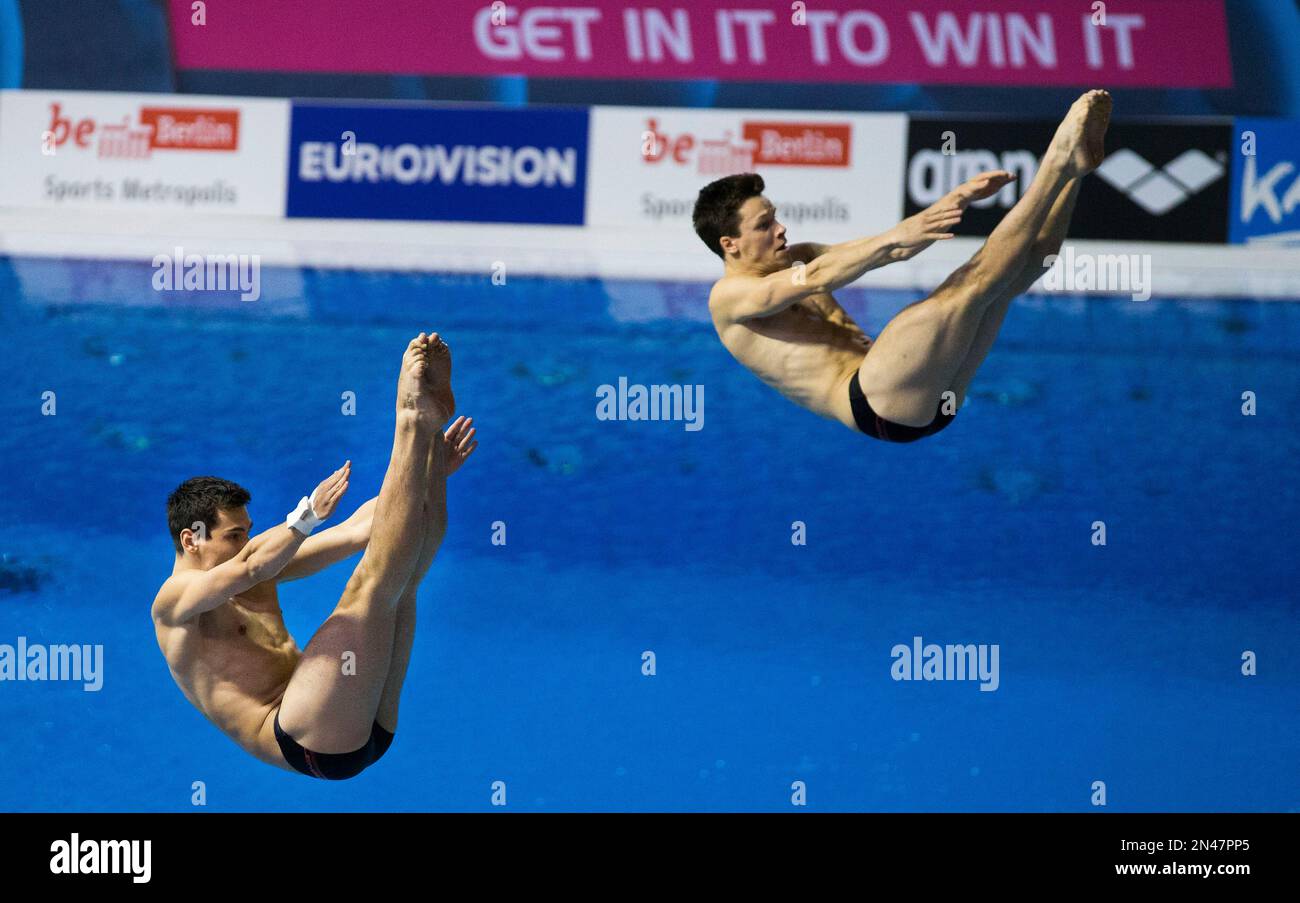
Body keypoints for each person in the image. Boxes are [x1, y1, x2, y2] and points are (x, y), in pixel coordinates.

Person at [695, 90, 1111, 443]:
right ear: (729, 244)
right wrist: (899, 235)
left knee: (1012, 278)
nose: (781, 230)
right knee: (971, 284)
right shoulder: (728, 299)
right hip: (875, 402)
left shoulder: (798, 255)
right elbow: (825, 274)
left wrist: (953, 202)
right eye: (764, 225)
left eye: (776, 217)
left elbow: (892, 250)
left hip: (925, 393)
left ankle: (1074, 174)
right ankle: (1056, 162)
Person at [152, 333, 477, 779]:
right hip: (304, 739)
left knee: (405, 581)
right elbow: (254, 565)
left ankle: (424, 431)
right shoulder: (174, 603)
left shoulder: (251, 570)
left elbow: (358, 531)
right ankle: (410, 420)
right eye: (233, 535)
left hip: (359, 721)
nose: (244, 542)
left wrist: (429, 471)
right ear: (192, 540)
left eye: (247, 531)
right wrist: (305, 516)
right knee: (370, 588)